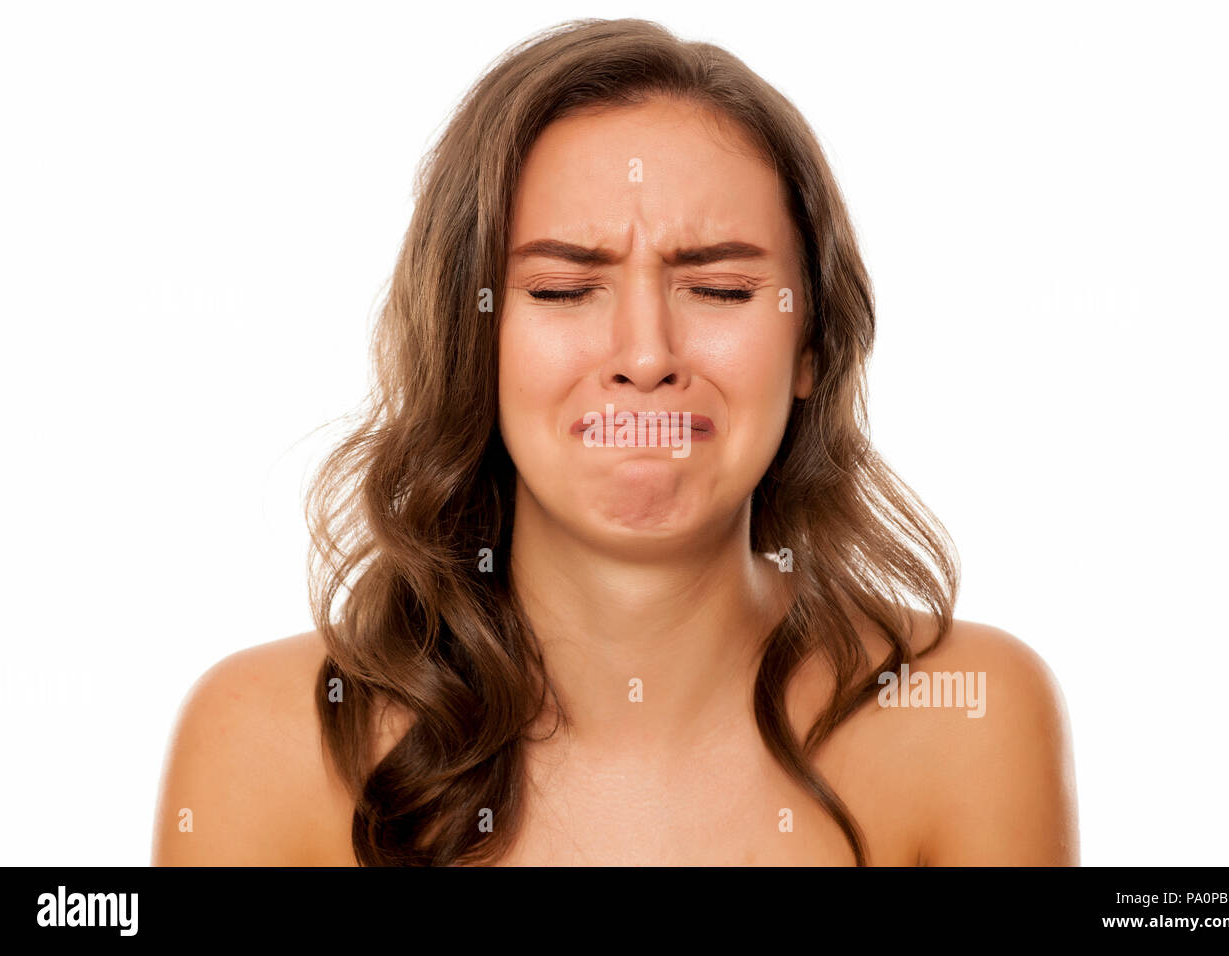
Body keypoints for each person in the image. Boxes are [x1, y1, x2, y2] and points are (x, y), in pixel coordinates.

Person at [152, 17, 1078, 866]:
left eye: (720, 290)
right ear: (470, 337)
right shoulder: (262, 741)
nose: (645, 355)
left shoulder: (973, 718)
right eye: (562, 289)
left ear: (812, 345)